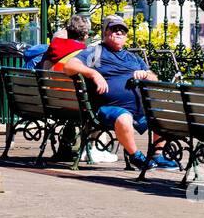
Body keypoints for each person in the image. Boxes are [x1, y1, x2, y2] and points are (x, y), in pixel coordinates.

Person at [61, 15, 175, 170]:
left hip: (140, 108)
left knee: (163, 111)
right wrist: (94, 74)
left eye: (123, 30)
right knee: (124, 117)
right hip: (107, 108)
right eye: (115, 29)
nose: (119, 32)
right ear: (105, 33)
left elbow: (154, 79)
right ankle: (135, 156)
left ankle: (157, 154)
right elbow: (69, 65)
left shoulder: (132, 57)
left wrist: (145, 74)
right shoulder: (97, 52)